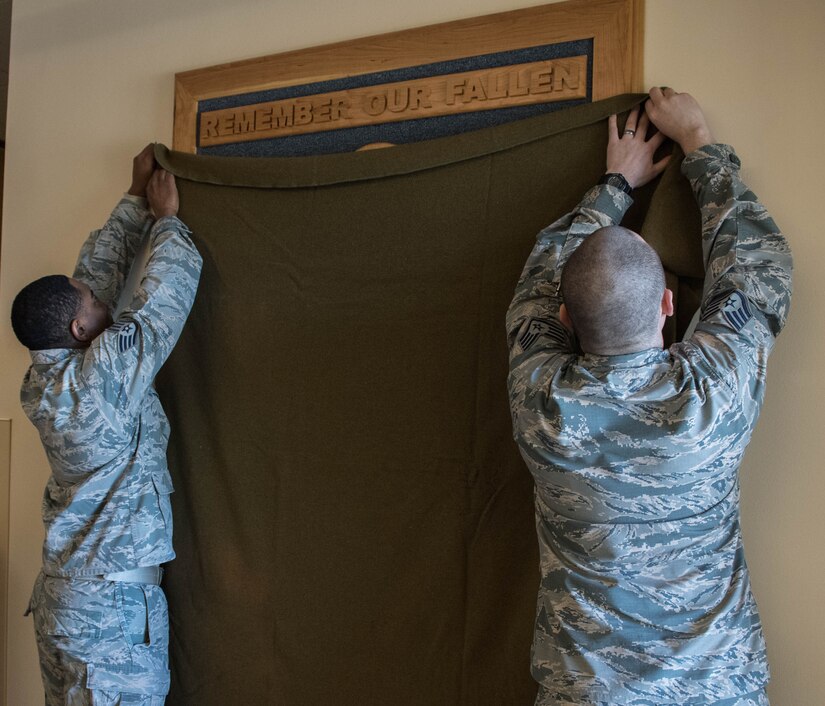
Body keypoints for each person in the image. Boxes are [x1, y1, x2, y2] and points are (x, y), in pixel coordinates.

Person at [506, 88, 792, 706]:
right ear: (668, 307)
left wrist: (615, 182)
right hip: (718, 691)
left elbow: (535, 284)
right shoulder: (711, 396)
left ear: (567, 318)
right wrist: (697, 142)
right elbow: (756, 269)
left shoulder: (541, 405)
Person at [11, 145, 203, 705]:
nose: (102, 299)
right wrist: (166, 221)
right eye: (94, 304)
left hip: (71, 606)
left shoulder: (44, 377)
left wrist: (132, 199)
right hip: (108, 620)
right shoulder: (99, 379)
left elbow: (85, 282)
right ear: (77, 328)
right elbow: (162, 303)